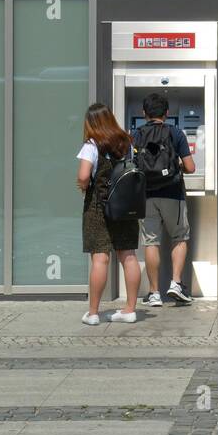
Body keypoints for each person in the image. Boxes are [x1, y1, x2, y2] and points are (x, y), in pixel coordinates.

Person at [76, 103, 142, 325]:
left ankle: (93, 313)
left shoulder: (92, 145)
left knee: (100, 257)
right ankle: (130, 310)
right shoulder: (125, 142)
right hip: (125, 205)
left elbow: (85, 175)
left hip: (99, 206)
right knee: (129, 255)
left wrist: (81, 185)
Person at [134, 92, 195, 306]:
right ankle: (176, 284)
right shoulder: (176, 133)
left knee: (151, 241)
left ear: (144, 113)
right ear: (167, 113)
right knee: (179, 236)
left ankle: (154, 293)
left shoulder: (137, 134)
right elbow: (190, 167)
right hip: (172, 193)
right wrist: (174, 167)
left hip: (147, 195)